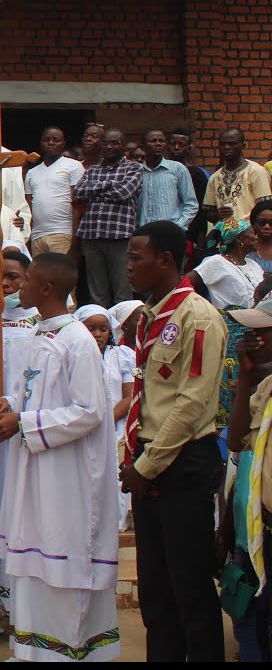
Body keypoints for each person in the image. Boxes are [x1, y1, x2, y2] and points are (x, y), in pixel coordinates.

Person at [0, 253, 122, 662]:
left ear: (45, 288)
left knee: (62, 561)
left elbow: (89, 411)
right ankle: (31, 652)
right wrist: (6, 403)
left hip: (66, 476)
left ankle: (66, 652)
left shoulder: (77, 340)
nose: (17, 288)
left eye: (25, 281)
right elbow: (35, 394)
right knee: (34, 563)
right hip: (35, 469)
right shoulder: (41, 333)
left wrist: (21, 423)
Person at [122, 221, 226, 661]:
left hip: (181, 463)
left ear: (164, 260)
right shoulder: (150, 314)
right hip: (149, 460)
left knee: (190, 590)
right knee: (156, 592)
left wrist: (144, 467)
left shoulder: (197, 317)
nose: (128, 268)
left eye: (135, 258)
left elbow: (189, 405)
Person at [221, 296, 272, 663]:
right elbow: (239, 438)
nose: (251, 337)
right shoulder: (266, 388)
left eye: (261, 331)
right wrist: (249, 377)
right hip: (264, 528)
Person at [187, 220, 261, 432]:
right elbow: (186, 282)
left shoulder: (254, 265)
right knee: (228, 382)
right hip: (228, 331)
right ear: (239, 238)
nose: (256, 236)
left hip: (253, 331)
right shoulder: (216, 263)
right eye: (251, 233)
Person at [77, 305, 136, 532]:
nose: (97, 334)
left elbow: (129, 396)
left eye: (102, 329)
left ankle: (115, 528)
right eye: (91, 328)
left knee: (114, 477)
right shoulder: (74, 355)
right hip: (83, 427)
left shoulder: (121, 356)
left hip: (114, 427)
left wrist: (104, 420)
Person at [76, 128, 143, 307]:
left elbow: (123, 193)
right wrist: (109, 184)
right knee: (97, 293)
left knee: (122, 291)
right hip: (92, 236)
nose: (109, 146)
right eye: (105, 143)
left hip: (119, 237)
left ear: (123, 145)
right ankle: (101, 332)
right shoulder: (93, 170)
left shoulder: (134, 168)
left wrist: (96, 190)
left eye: (115, 143)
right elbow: (79, 191)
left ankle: (123, 332)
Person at [25, 126, 85, 257]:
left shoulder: (74, 166)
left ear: (63, 144)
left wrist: (75, 241)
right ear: (41, 143)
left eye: (56, 140)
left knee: (61, 276)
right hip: (37, 236)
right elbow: (28, 208)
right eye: (46, 139)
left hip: (63, 234)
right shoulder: (31, 173)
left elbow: (78, 205)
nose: (51, 143)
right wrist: (27, 240)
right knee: (39, 277)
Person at [204, 128, 272, 228]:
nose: (227, 147)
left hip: (250, 235)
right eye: (223, 144)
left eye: (232, 144)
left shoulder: (256, 171)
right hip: (223, 237)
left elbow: (266, 208)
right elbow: (207, 212)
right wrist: (217, 215)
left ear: (243, 145)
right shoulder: (214, 177)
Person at [138, 129, 198, 230]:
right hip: (142, 232)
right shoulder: (136, 171)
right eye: (153, 141)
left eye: (161, 141)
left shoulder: (178, 169)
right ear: (143, 147)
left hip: (170, 232)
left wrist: (178, 227)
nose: (158, 144)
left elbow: (191, 204)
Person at [166, 129, 213, 253]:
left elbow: (201, 209)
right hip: (165, 230)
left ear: (189, 147)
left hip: (189, 234)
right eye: (173, 144)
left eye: (181, 145)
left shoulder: (196, 174)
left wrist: (201, 237)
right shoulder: (161, 172)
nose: (176, 148)